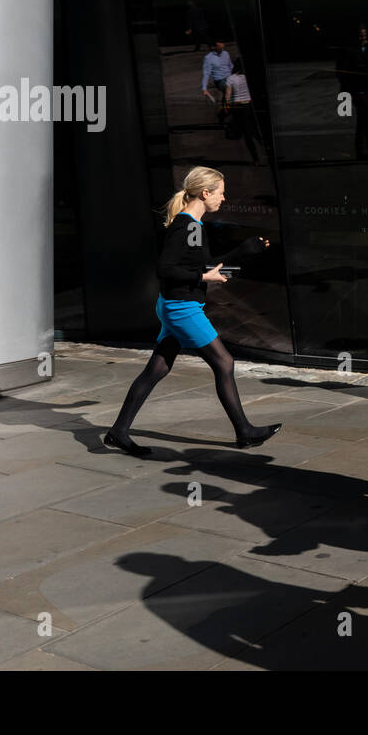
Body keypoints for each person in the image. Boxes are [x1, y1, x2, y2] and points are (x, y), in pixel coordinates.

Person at [103, 167, 283, 457]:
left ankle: (118, 432)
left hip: (176, 306)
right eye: (221, 193)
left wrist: (242, 252)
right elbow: (166, 269)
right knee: (224, 363)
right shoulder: (187, 226)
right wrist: (203, 279)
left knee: (157, 370)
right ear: (205, 193)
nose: (224, 198)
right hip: (182, 309)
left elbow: (201, 264)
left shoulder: (194, 226)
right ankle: (245, 432)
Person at [336, 24, 368, 162]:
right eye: (361, 35)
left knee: (364, 122)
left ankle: (363, 153)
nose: (363, 38)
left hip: (365, 89)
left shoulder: (364, 48)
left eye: (365, 36)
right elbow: (341, 73)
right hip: (357, 90)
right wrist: (355, 83)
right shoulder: (348, 51)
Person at [222, 58, 263, 165]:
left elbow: (228, 95)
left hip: (237, 108)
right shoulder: (250, 77)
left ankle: (256, 159)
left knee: (247, 134)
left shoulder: (230, 79)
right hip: (249, 107)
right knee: (256, 131)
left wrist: (226, 106)